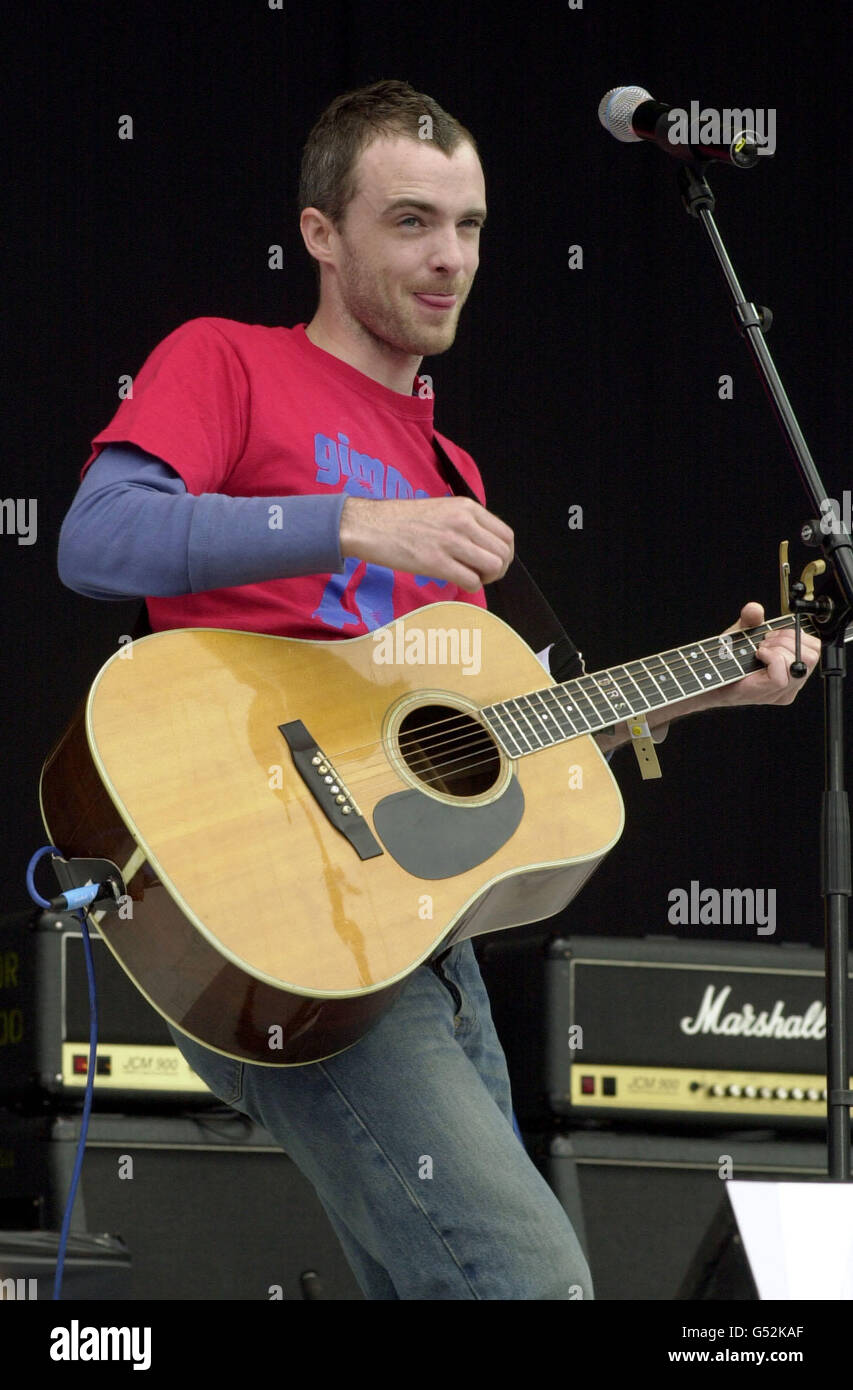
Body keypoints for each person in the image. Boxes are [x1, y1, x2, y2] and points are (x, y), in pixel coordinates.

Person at [57, 79, 820, 1300]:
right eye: (410, 221)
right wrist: (358, 522)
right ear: (321, 233)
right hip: (284, 912)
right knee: (529, 1283)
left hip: (421, 935)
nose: (448, 257)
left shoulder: (446, 466)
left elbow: (502, 735)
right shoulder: (227, 361)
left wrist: (716, 687)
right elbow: (98, 540)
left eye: (468, 227)